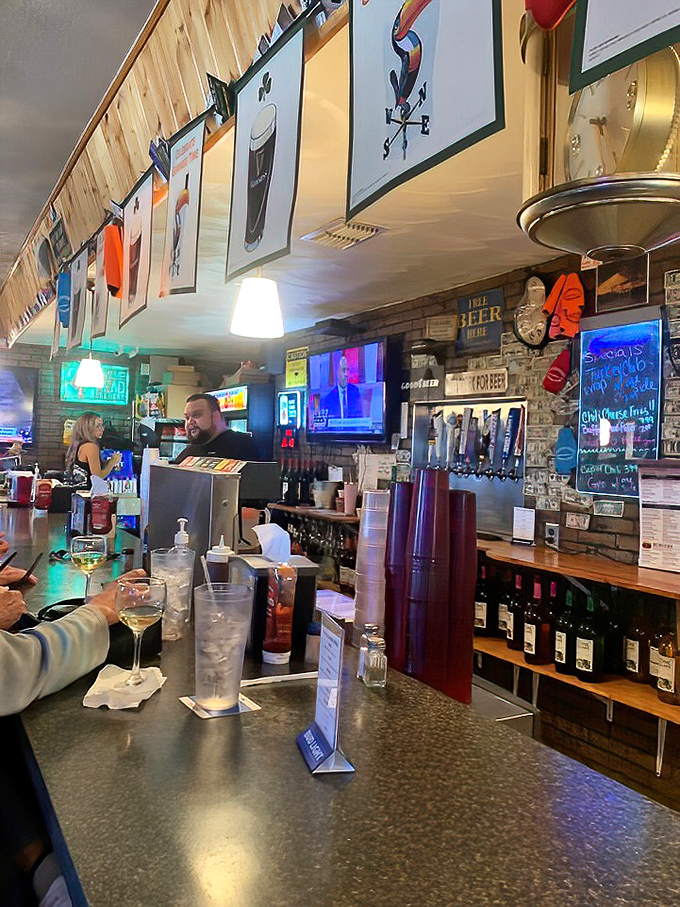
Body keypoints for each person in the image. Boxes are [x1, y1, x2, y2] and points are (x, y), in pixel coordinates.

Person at [172, 393, 258, 464]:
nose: (190, 422)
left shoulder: (242, 445)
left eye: (196, 415)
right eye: (187, 417)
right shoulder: (189, 452)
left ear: (216, 416)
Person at [64, 412, 121, 487]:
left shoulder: (79, 444)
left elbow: (87, 467)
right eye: (98, 426)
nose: (102, 429)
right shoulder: (91, 447)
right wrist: (112, 462)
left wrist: (108, 462)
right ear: (88, 429)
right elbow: (97, 477)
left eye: (102, 425)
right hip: (86, 491)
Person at [322, 355, 363, 420]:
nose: (346, 374)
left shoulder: (355, 392)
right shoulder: (329, 398)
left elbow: (359, 417)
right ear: (337, 372)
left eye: (347, 370)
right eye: (343, 370)